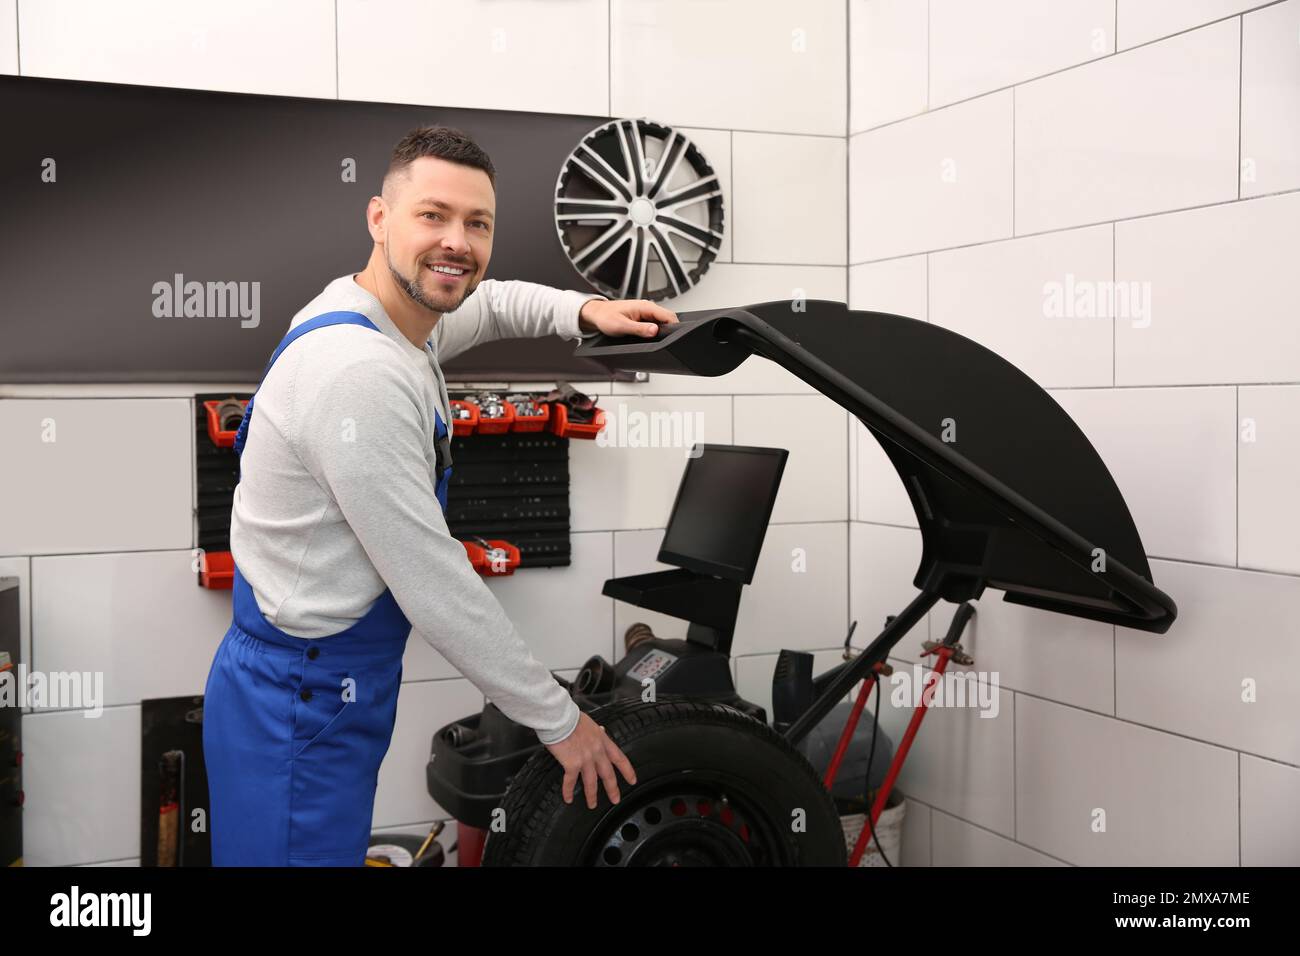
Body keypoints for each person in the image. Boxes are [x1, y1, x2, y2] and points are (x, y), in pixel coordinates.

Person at [202, 125, 672, 866]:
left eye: (477, 224)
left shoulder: (384, 318)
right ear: (379, 218)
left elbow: (488, 306)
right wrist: (560, 722)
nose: (456, 241)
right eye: (433, 215)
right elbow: (434, 584)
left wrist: (584, 311)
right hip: (300, 699)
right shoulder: (359, 374)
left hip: (311, 680)